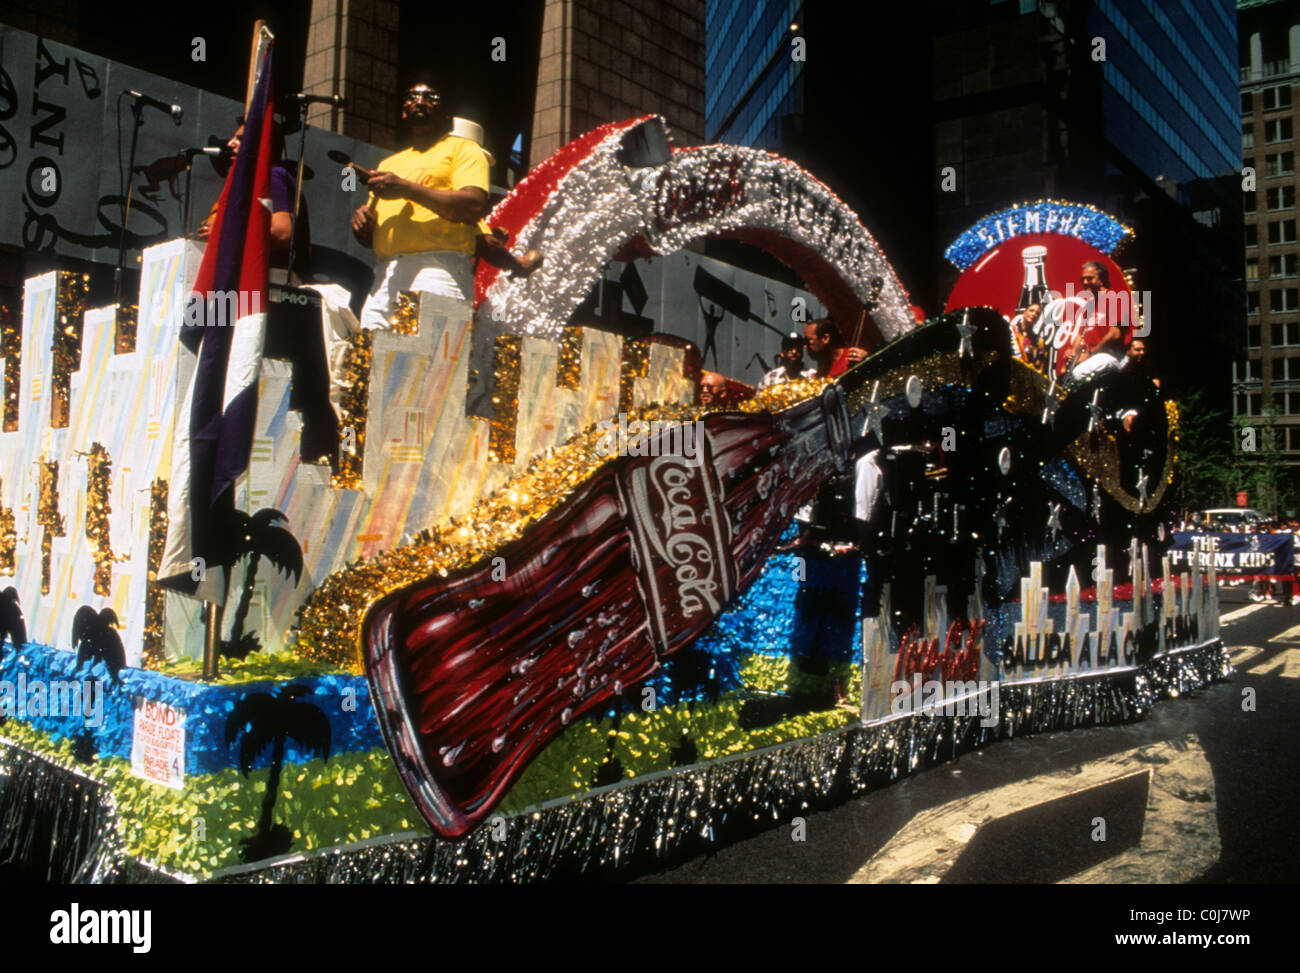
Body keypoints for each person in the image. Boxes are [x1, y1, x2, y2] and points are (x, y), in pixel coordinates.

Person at [350, 82, 490, 330]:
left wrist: (407, 188)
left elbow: (473, 206)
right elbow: (371, 236)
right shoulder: (389, 162)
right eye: (411, 96)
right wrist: (364, 225)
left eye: (431, 96)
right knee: (373, 361)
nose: (420, 100)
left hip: (436, 269)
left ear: (446, 113)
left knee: (426, 365)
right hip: (386, 274)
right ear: (403, 111)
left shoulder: (464, 149)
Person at [196, 117, 312, 283]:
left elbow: (283, 232)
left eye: (240, 139)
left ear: (262, 145)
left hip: (277, 281)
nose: (230, 144)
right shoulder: (260, 182)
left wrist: (225, 231)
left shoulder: (274, 175)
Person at [1066, 261, 1129, 380]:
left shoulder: (1116, 299)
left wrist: (1091, 354)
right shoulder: (1089, 306)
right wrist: (1073, 351)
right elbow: (1081, 335)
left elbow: (1115, 334)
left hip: (1110, 355)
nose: (1085, 283)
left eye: (1089, 278)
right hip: (1092, 358)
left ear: (1102, 280)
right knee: (1064, 379)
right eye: (1083, 279)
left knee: (1078, 373)